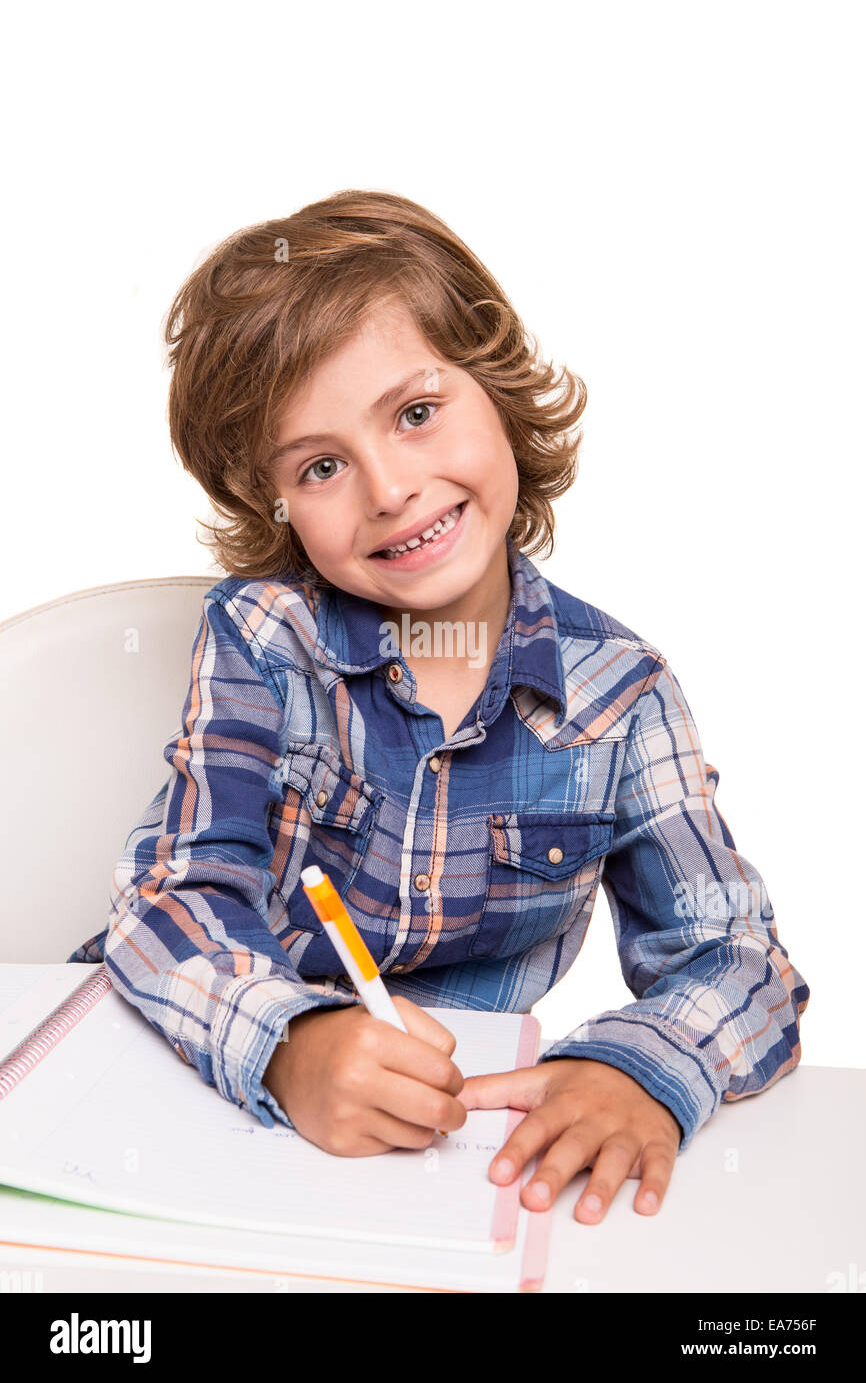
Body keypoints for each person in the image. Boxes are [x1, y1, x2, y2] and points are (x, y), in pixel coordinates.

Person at [70, 189, 809, 1226]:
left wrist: (641, 1066)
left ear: (495, 389)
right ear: (271, 503)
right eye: (321, 466)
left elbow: (737, 958)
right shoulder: (264, 639)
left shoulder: (619, 694)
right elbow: (172, 898)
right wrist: (289, 1045)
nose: (389, 487)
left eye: (416, 414)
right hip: (189, 1100)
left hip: (431, 1163)